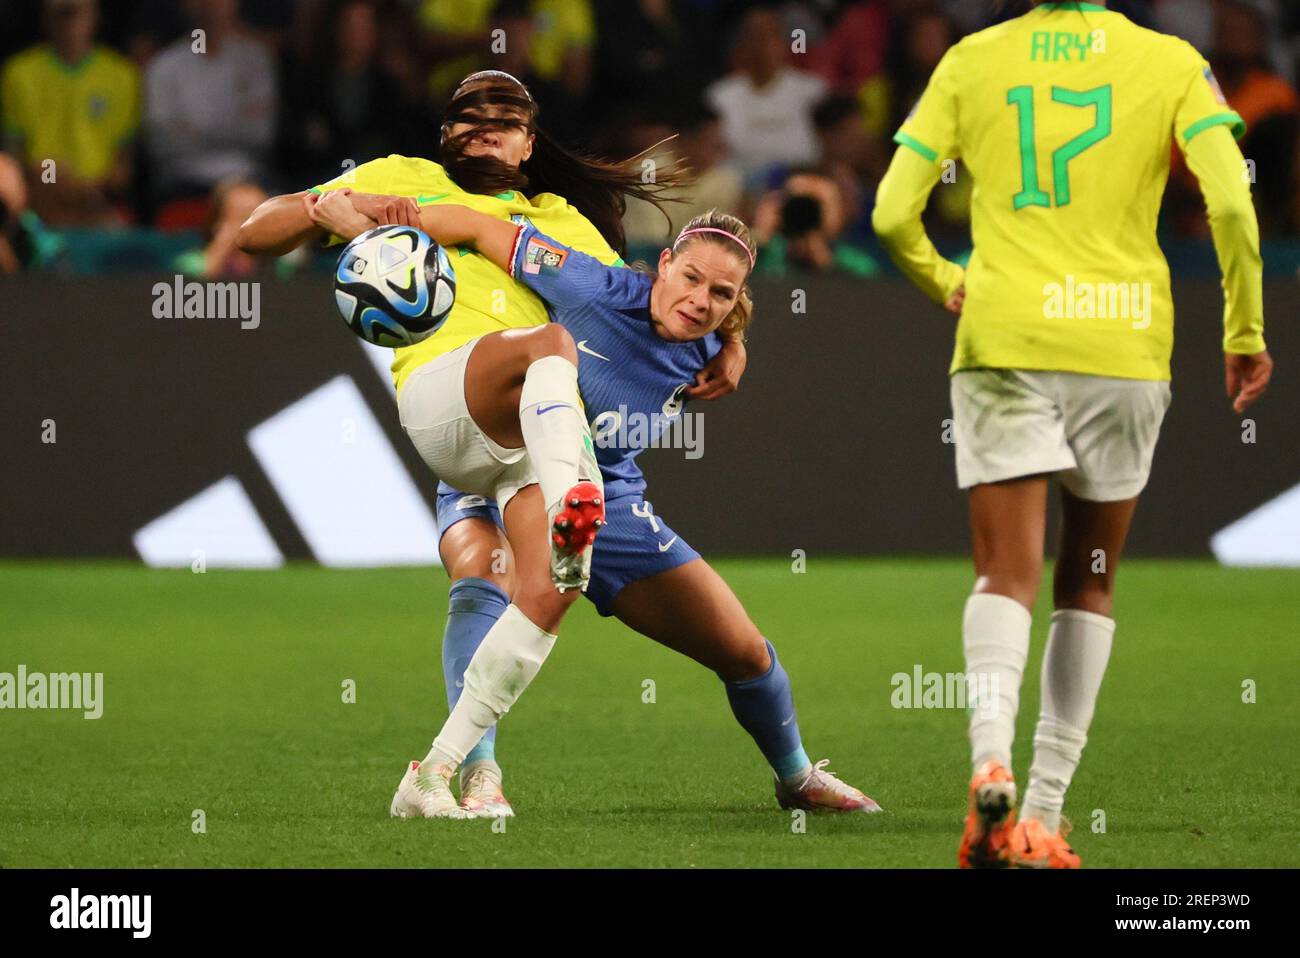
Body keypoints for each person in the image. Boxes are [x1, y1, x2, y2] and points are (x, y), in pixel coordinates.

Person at [309, 190, 882, 820]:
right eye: (690, 278)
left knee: (746, 653)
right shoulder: (589, 285)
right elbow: (474, 226)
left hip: (610, 501)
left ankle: (797, 778)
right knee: (484, 580)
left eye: (721, 294)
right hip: (509, 466)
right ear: (663, 265)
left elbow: (731, 325)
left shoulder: (712, 348)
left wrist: (736, 345)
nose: (700, 301)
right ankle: (476, 775)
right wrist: (365, 220)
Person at [872, 0, 1271, 868]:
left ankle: (990, 759)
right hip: (1122, 346)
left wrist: (946, 280)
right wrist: (1244, 331)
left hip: (1007, 338)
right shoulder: (1169, 60)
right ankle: (1045, 815)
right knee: (1087, 580)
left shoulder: (974, 58)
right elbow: (1234, 204)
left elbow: (890, 213)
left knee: (1002, 574)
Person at [0, 0, 139, 227]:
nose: (71, 22)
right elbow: (11, 161)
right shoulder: (18, 73)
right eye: (63, 13)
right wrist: (55, 180)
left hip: (98, 196)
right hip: (41, 190)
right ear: (47, 18)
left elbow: (124, 170)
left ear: (95, 16)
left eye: (77, 12)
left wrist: (85, 189)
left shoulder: (122, 75)